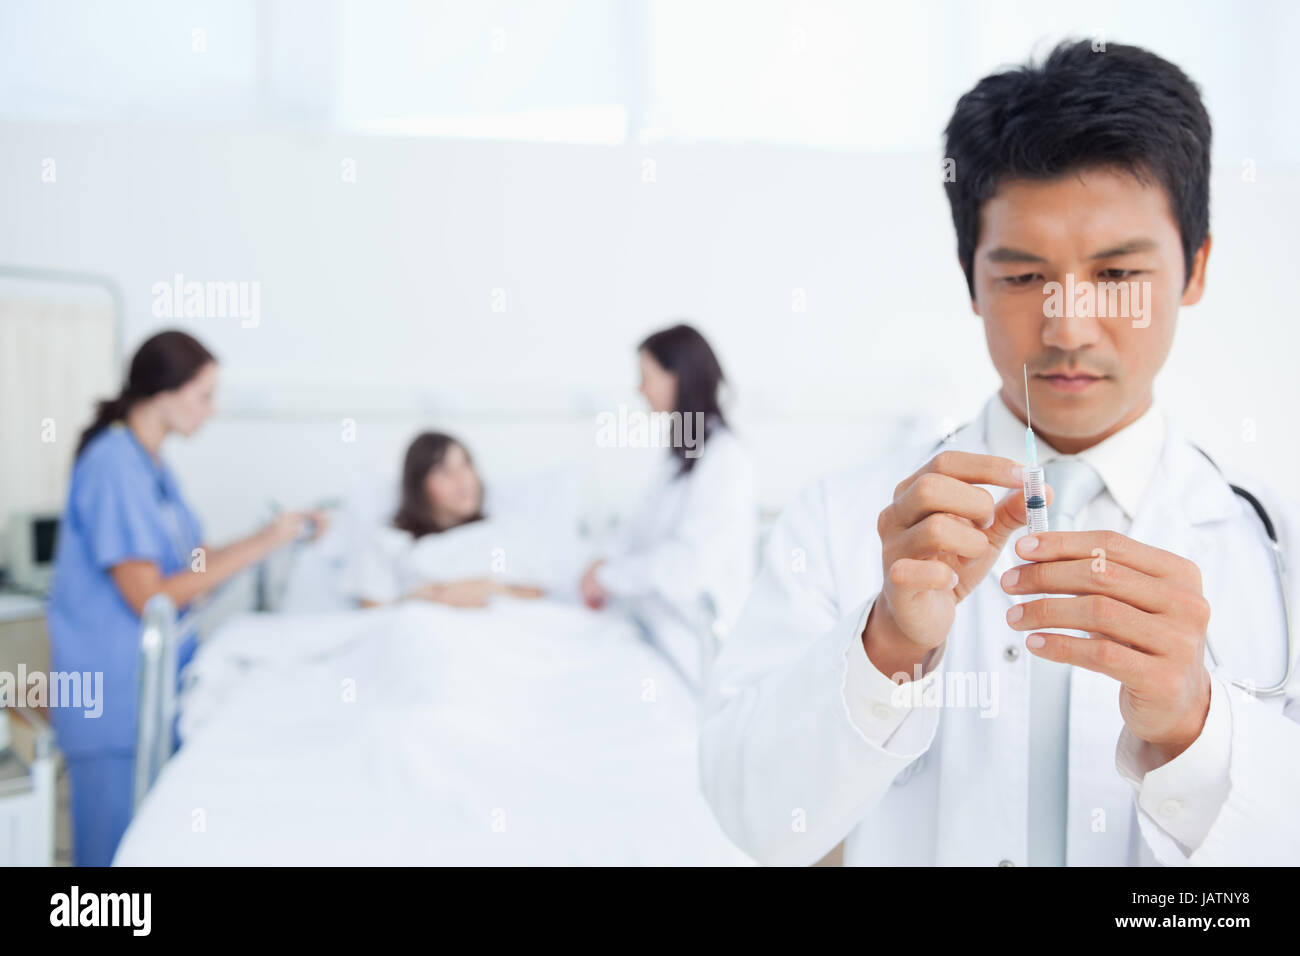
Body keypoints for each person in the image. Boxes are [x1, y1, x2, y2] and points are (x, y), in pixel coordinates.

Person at [700, 40, 1299, 866]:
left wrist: (1196, 732)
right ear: (970, 278)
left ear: (1194, 268)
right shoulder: (838, 522)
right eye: (1022, 278)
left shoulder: (1276, 548)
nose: (1067, 328)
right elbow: (759, 818)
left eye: (1117, 274)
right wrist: (886, 651)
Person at [46, 329, 325, 866]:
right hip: (111, 698)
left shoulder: (152, 466)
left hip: (153, 692)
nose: (212, 410)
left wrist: (272, 537)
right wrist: (262, 543)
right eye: (204, 396)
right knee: (110, 864)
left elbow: (196, 566)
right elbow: (149, 597)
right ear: (163, 392)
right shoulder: (113, 464)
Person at [580, 323, 758, 688]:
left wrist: (609, 578)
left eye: (647, 377)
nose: (640, 389)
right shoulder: (681, 457)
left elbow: (686, 568)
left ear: (679, 377)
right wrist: (604, 563)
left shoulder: (725, 460)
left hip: (690, 647)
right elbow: (639, 531)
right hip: (653, 629)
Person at [346, 431, 545, 608]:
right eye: (444, 471)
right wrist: (424, 599)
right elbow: (372, 614)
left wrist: (490, 589)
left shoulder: (501, 533)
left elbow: (538, 596)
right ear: (418, 483)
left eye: (466, 465)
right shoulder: (388, 541)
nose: (463, 480)